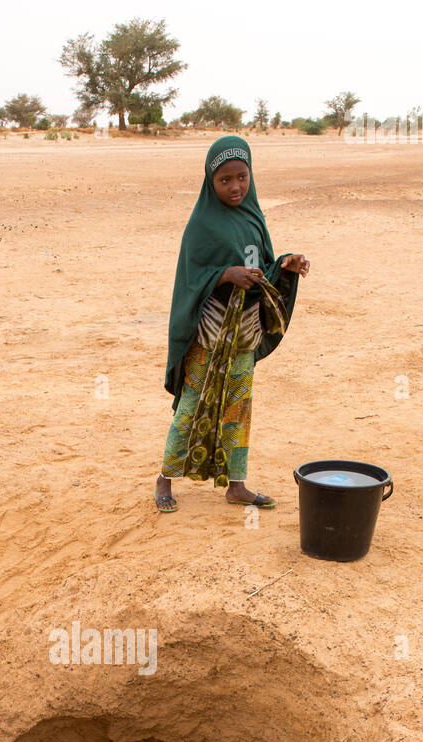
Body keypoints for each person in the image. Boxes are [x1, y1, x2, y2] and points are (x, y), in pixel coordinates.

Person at [155, 136, 310, 513]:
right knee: (193, 404)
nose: (236, 186)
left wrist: (286, 264)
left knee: (238, 407)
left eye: (242, 177)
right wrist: (226, 274)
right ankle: (165, 478)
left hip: (244, 333)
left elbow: (264, 269)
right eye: (225, 180)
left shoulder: (253, 216)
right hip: (208, 335)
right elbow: (192, 280)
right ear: (210, 181)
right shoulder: (201, 225)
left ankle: (236, 485)